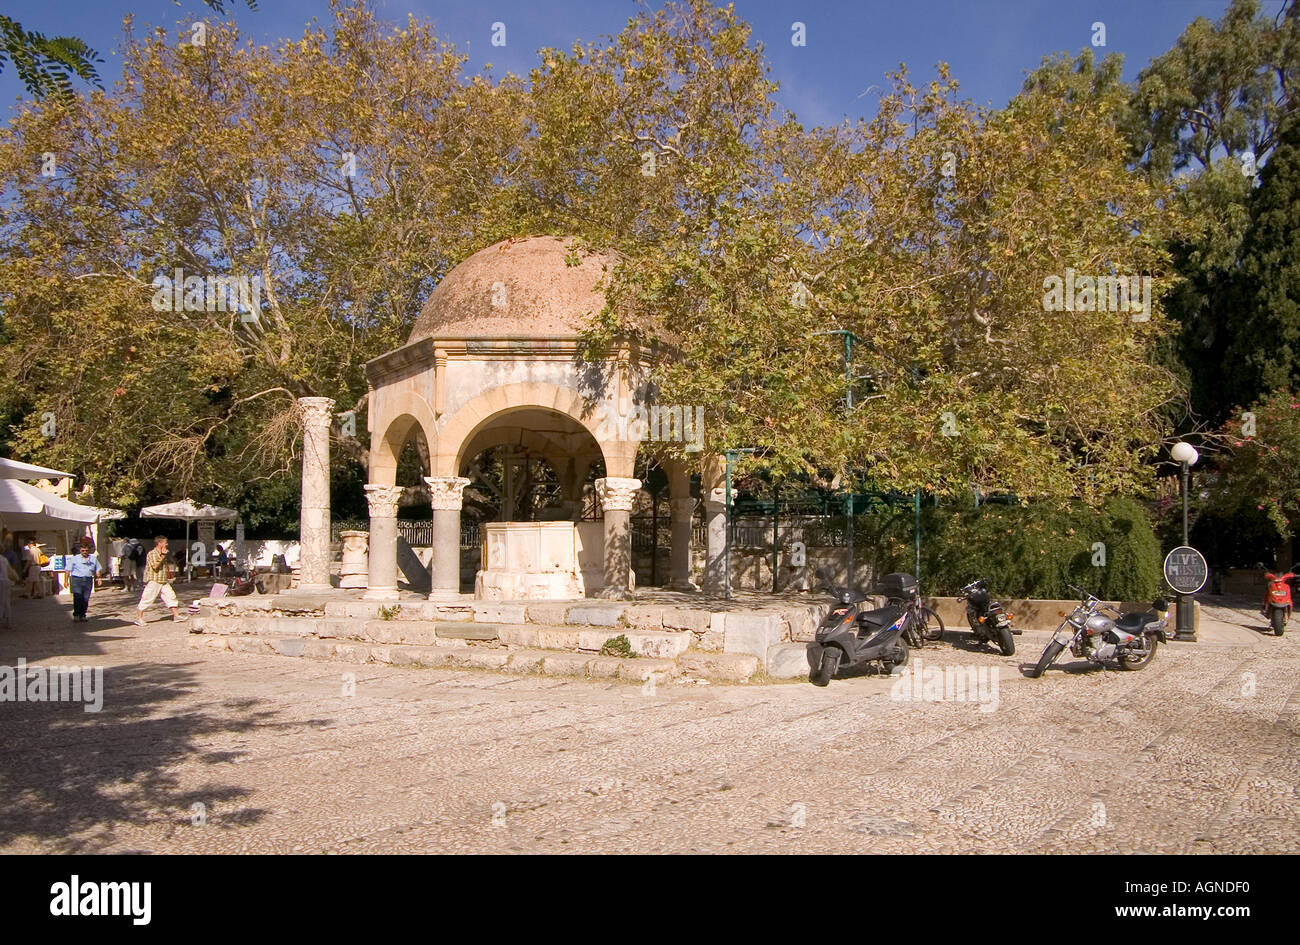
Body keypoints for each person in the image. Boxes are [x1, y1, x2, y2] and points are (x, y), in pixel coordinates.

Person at [135, 536, 183, 625]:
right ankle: (139, 618)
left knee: (171, 596)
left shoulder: (162, 553)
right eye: (165, 543)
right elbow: (155, 566)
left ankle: (176, 616)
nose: (167, 544)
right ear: (159, 543)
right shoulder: (152, 553)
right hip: (154, 580)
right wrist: (163, 556)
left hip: (163, 580)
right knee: (147, 598)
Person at [67, 538, 99, 623]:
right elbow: (68, 569)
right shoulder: (74, 558)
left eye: (86, 550)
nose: (84, 552)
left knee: (85, 598)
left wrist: (99, 578)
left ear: (89, 551)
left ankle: (83, 614)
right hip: (77, 579)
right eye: (83, 550)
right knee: (78, 597)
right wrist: (66, 581)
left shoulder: (93, 558)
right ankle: (76, 615)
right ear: (80, 550)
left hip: (88, 580)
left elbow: (97, 569)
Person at [0, 552, 17, 629]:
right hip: (6, 581)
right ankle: (8, 621)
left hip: (1, 581)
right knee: (6, 601)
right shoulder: (4, 559)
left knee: (1, 602)